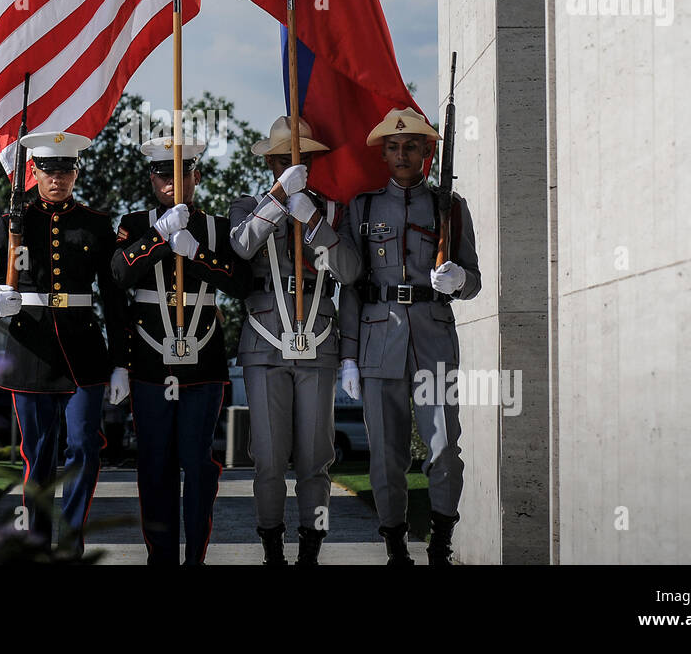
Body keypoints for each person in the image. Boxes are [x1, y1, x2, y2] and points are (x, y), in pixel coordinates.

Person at [337, 108, 481, 566]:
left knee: (444, 449)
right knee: (385, 455)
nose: (402, 154)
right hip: (379, 343)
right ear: (383, 153)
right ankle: (395, 545)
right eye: (394, 147)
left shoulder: (450, 206)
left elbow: (474, 280)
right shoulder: (362, 208)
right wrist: (348, 356)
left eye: (412, 146)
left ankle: (440, 541)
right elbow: (352, 284)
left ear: (427, 152)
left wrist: (458, 279)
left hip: (434, 338)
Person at [0, 132, 126, 559]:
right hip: (31, 352)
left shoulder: (96, 224)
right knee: (39, 454)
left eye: (65, 170)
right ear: (34, 171)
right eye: (48, 170)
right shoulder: (13, 220)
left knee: (83, 444)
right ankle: (37, 544)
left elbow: (114, 300)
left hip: (83, 352)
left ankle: (72, 540)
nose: (57, 178)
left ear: (76, 172)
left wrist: (121, 362)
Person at [109, 137, 252, 565]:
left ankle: (195, 557)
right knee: (155, 466)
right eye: (162, 175)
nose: (172, 182)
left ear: (197, 176)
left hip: (203, 361)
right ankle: (162, 557)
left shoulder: (219, 227)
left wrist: (198, 253)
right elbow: (118, 275)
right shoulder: (135, 223)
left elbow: (241, 283)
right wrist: (158, 236)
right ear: (152, 180)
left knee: (199, 464)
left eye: (182, 173)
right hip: (150, 362)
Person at [228, 116, 360, 565]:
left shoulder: (335, 211)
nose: (288, 165)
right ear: (271, 164)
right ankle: (271, 547)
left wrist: (316, 220)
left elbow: (349, 271)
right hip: (264, 343)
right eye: (281, 160)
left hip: (319, 342)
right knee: (267, 458)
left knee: (317, 460)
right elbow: (242, 246)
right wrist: (280, 197)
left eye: (296, 160)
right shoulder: (247, 204)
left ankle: (311, 546)